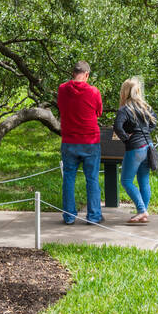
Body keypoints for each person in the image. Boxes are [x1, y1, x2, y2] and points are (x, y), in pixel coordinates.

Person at [56, 60, 103, 225]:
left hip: (69, 140)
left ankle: (69, 216)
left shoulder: (62, 90)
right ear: (87, 75)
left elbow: (61, 107)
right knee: (92, 178)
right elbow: (98, 112)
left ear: (73, 73)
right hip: (90, 140)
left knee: (68, 178)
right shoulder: (94, 92)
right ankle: (94, 216)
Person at [114, 77, 157, 224]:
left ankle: (141, 210)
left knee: (126, 181)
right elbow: (154, 123)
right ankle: (143, 213)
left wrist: (127, 138)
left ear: (124, 92)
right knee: (143, 181)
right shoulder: (146, 107)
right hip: (148, 146)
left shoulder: (125, 109)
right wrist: (145, 131)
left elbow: (117, 127)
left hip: (136, 148)